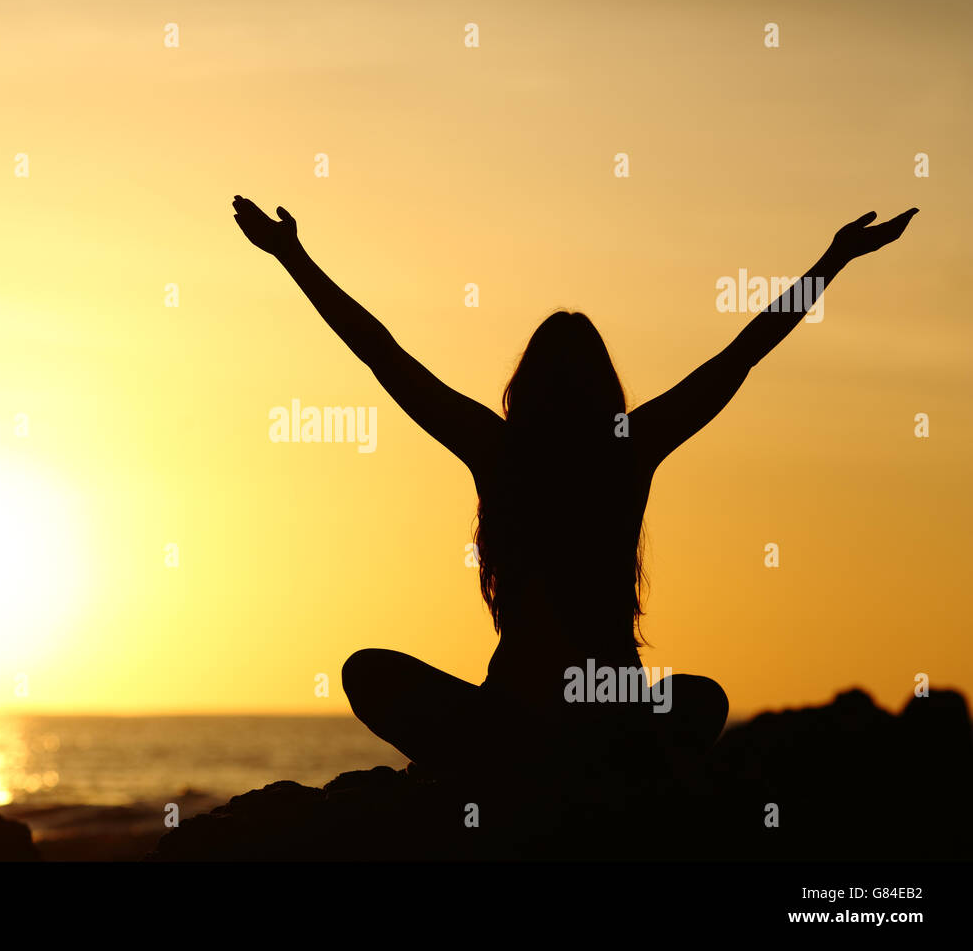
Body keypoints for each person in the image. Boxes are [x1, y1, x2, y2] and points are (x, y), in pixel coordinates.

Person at [233, 195, 918, 779]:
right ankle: (598, 778)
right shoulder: (628, 446)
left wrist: (292, 257)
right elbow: (742, 353)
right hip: (607, 732)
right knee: (701, 699)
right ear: (603, 387)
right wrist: (833, 260)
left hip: (511, 725)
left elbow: (382, 353)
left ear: (522, 387)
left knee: (367, 671)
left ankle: (504, 774)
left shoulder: (500, 448)